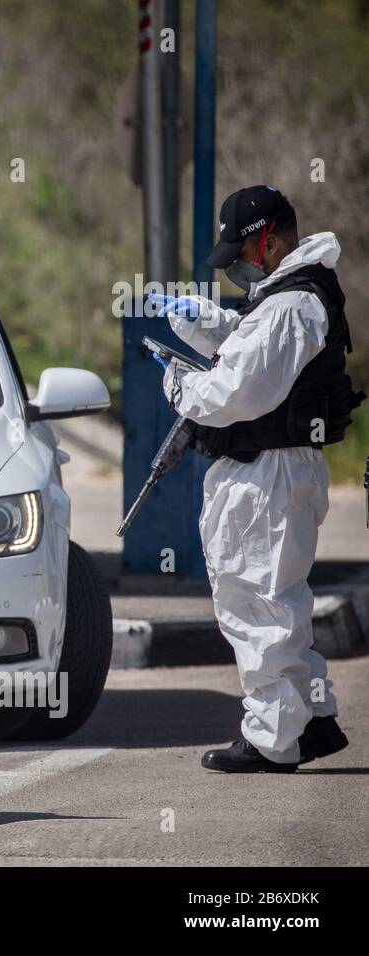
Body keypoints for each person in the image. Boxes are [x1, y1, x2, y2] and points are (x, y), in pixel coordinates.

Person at [149, 185, 363, 772]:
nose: (238, 266)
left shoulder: (295, 303)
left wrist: (177, 387)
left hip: (267, 473)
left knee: (256, 604)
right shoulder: (290, 296)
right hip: (274, 470)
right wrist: (204, 328)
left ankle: (272, 740)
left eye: (242, 253)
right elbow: (255, 348)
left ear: (266, 241)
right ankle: (309, 721)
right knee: (276, 603)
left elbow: (235, 392)